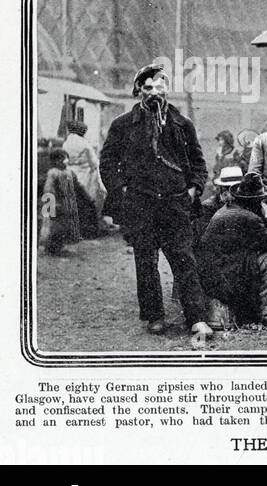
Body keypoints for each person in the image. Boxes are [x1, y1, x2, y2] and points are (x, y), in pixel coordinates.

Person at [99, 63, 211, 338]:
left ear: (167, 91)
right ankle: (155, 316)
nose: (154, 93)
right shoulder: (123, 125)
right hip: (141, 205)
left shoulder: (183, 125)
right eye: (148, 88)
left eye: (159, 87)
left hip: (175, 205)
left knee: (184, 260)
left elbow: (199, 164)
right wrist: (121, 193)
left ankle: (196, 318)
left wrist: (194, 189)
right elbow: (107, 163)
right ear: (138, 91)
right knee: (146, 262)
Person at [196, 173, 267, 327]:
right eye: (260, 199)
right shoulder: (249, 218)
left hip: (214, 273)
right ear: (254, 201)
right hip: (226, 277)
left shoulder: (226, 209)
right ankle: (265, 311)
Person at [62, 120, 114, 231]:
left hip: (71, 172)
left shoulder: (66, 143)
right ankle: (93, 224)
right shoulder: (84, 144)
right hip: (86, 174)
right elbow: (94, 163)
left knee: (74, 200)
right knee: (92, 198)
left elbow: (66, 159)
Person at [42, 148, 81, 255]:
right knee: (56, 227)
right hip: (57, 203)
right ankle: (51, 248)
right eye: (62, 158)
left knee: (65, 226)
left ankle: (59, 246)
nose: (65, 161)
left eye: (66, 158)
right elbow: (48, 189)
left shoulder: (70, 172)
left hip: (68, 203)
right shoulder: (53, 173)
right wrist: (52, 205)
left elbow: (77, 186)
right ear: (55, 161)